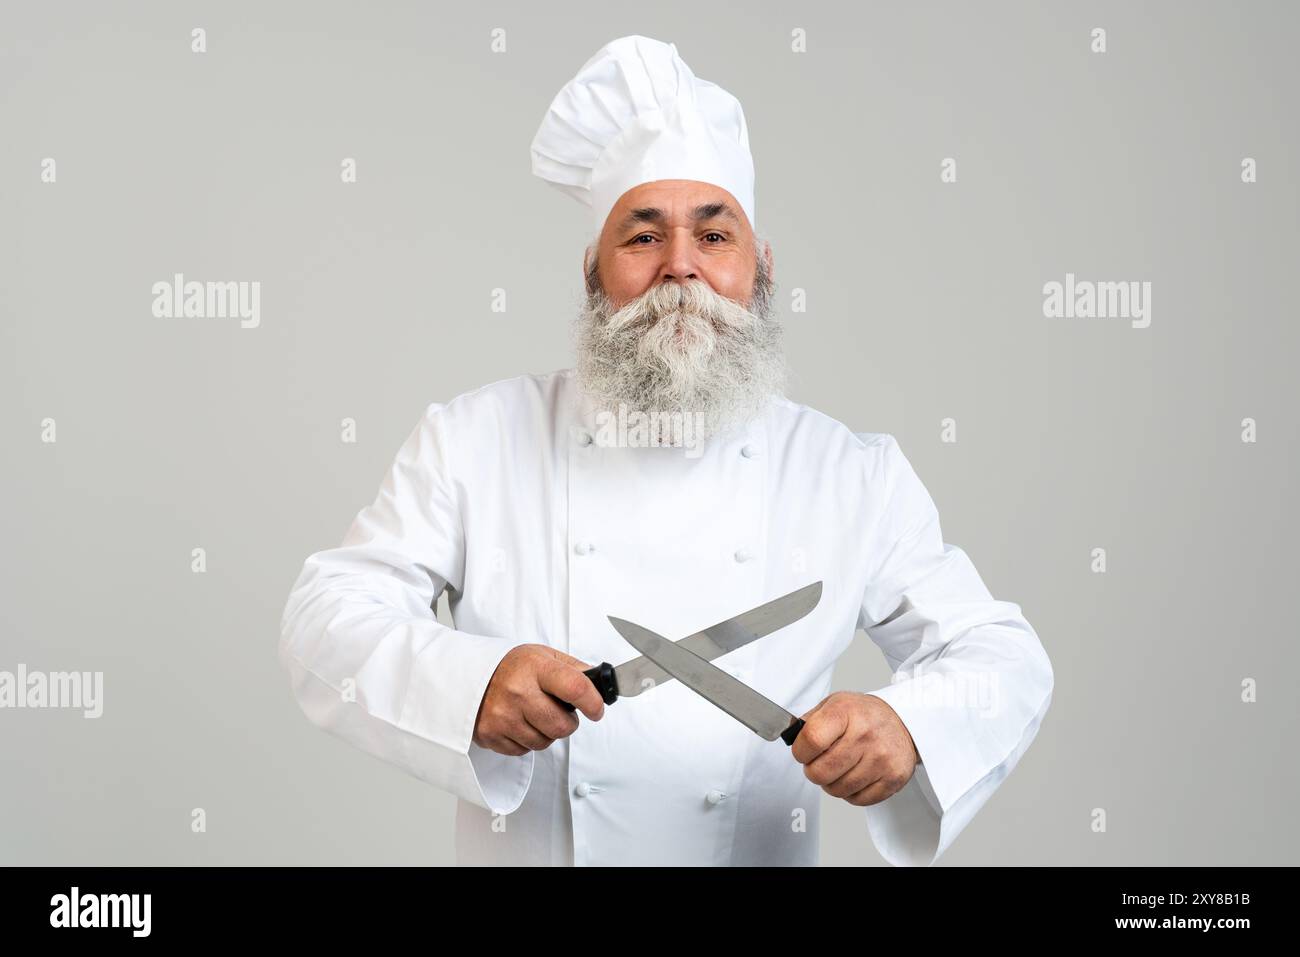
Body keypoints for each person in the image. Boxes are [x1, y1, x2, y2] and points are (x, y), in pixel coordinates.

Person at [278, 35, 1053, 866]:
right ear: (592, 275)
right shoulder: (474, 439)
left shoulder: (851, 473)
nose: (679, 267)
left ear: (759, 270)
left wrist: (913, 724)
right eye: (643, 237)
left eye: (714, 236)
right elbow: (326, 618)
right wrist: (467, 683)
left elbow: (1001, 657)